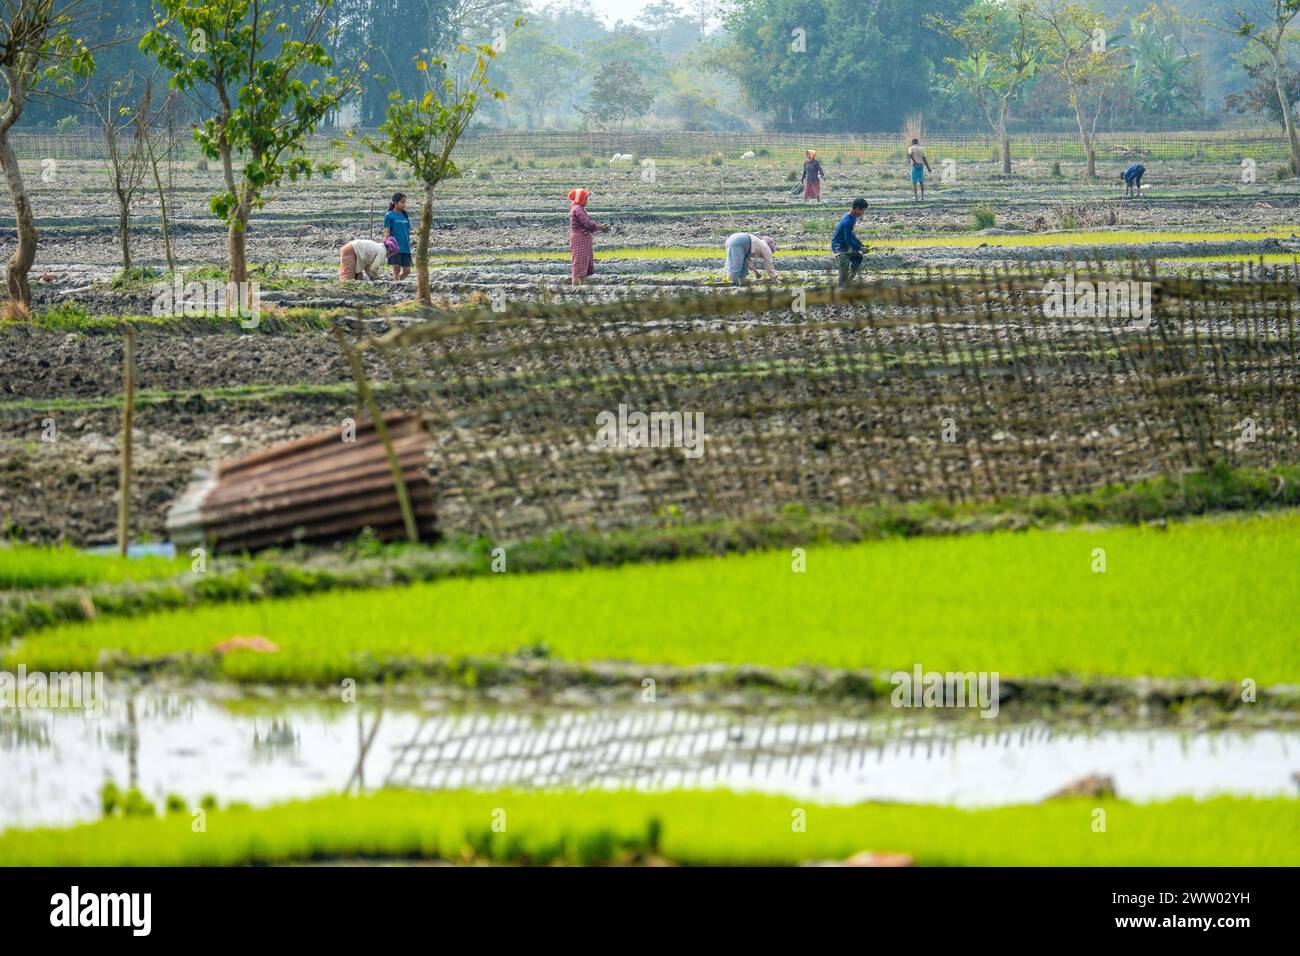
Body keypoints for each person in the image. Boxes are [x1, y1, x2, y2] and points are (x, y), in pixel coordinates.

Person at [568, 187, 609, 286]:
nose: (587, 201)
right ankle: (580, 288)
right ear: (580, 199)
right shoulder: (578, 209)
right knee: (580, 263)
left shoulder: (578, 209)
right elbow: (587, 224)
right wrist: (600, 227)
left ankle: (578, 288)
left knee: (580, 263)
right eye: (585, 199)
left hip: (581, 238)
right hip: (580, 239)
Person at [831, 198, 868, 287]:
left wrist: (860, 244)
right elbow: (848, 239)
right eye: (863, 210)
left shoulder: (852, 218)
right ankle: (841, 288)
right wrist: (860, 248)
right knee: (844, 263)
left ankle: (847, 283)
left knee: (858, 257)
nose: (863, 213)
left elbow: (852, 235)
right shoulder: (848, 221)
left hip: (844, 245)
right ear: (857, 209)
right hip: (838, 246)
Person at [383, 192, 412, 279]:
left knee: (407, 271)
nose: (404, 204)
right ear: (395, 202)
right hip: (395, 247)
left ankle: (396, 282)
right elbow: (387, 231)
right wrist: (386, 245)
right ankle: (395, 283)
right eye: (402, 202)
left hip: (406, 246)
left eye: (405, 202)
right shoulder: (389, 216)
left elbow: (407, 230)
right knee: (396, 269)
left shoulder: (404, 215)